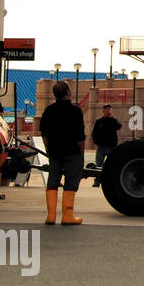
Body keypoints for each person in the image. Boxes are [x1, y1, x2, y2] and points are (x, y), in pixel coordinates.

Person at [38, 81, 86, 224]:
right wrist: (81, 154)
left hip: (54, 151)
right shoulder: (75, 111)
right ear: (68, 93)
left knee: (52, 181)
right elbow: (80, 136)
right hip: (72, 152)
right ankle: (67, 215)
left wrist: (48, 149)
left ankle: (51, 216)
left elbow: (44, 133)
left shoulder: (48, 110)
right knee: (70, 182)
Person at [91, 103, 121, 186]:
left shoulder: (113, 120)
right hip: (101, 147)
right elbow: (94, 133)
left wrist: (112, 119)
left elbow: (119, 126)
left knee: (112, 165)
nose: (108, 111)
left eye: (109, 109)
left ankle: (111, 182)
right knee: (99, 165)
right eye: (107, 109)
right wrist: (96, 142)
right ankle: (97, 182)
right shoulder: (99, 121)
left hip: (112, 147)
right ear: (103, 111)